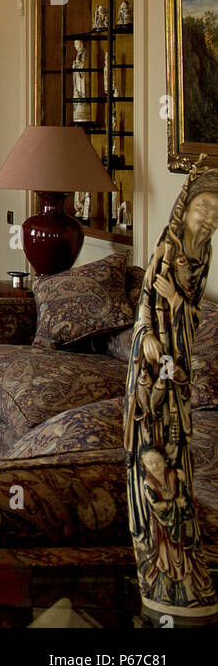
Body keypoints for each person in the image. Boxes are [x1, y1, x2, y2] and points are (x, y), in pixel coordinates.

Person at [125, 164, 218, 616]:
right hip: (152, 366)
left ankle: (179, 567)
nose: (208, 218)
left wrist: (179, 303)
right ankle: (158, 562)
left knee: (175, 461)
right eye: (203, 207)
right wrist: (151, 340)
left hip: (175, 371)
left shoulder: (203, 254)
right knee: (153, 452)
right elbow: (145, 310)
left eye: (216, 212)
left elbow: (193, 314)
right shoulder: (166, 248)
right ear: (187, 208)